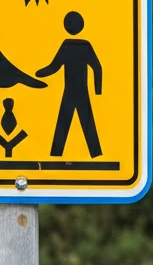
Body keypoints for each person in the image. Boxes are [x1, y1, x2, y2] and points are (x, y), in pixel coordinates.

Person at [35, 11, 103, 158]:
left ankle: (57, 153)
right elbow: (97, 67)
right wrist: (97, 89)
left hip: (72, 90)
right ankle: (94, 153)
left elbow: (54, 67)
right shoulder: (84, 46)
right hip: (78, 90)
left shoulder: (68, 46)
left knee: (67, 121)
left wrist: (40, 73)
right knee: (83, 121)